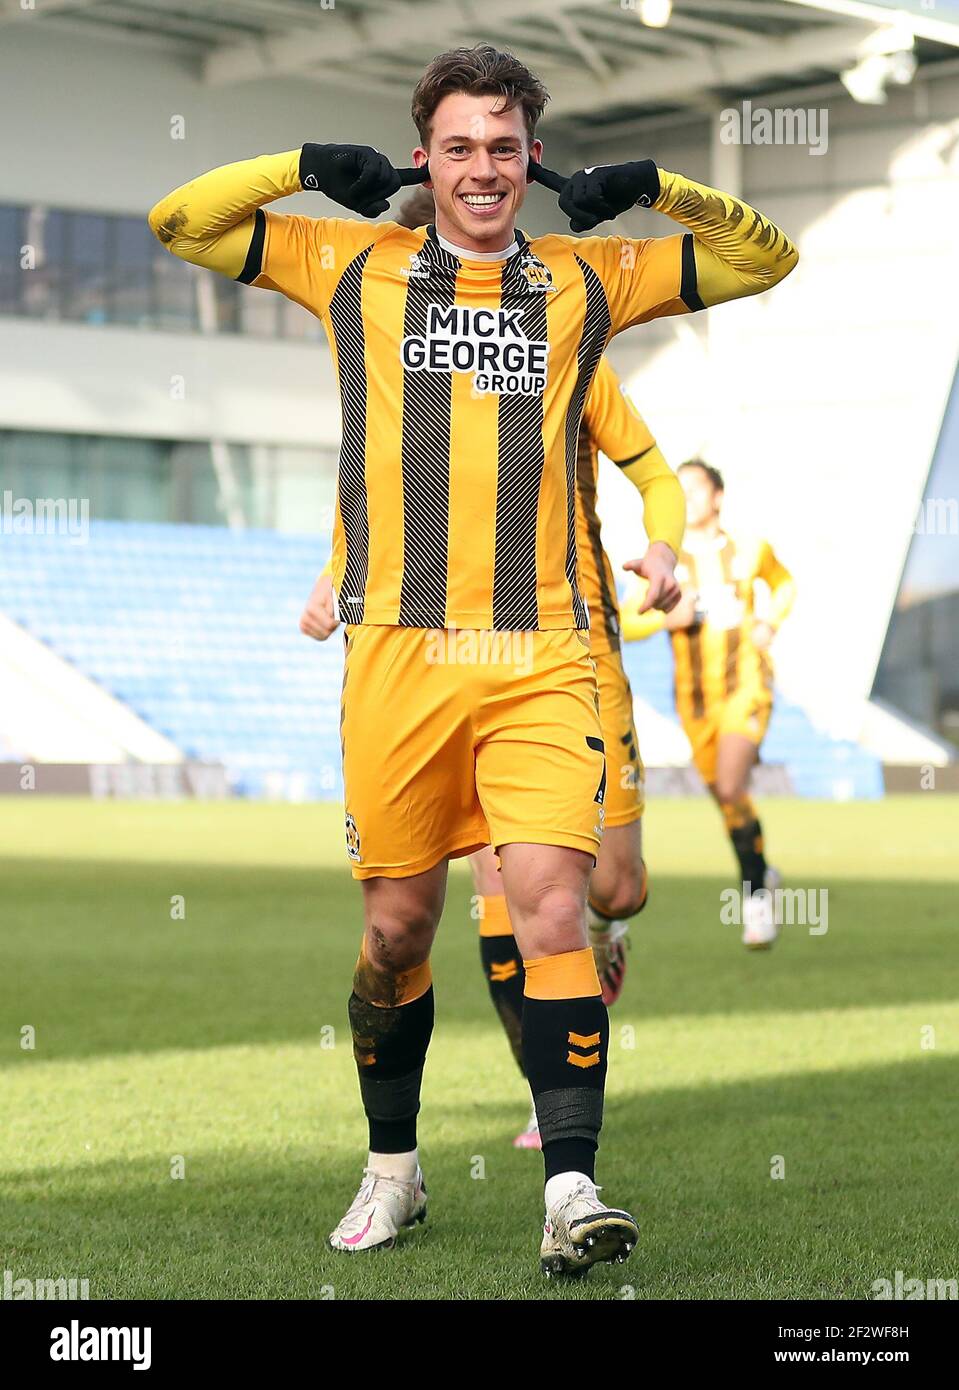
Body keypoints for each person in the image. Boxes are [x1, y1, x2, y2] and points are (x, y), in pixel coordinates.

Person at [149, 43, 797, 1275]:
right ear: (424, 157)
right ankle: (392, 1168)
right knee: (396, 931)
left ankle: (568, 1187)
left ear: (532, 156)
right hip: (396, 657)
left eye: (504, 146)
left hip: (541, 652)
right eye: (457, 147)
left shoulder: (587, 279)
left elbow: (767, 256)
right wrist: (304, 167)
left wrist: (659, 182)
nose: (483, 169)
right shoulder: (348, 262)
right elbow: (181, 220)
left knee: (556, 901)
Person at [620, 460, 796, 948]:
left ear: (718, 496)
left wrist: (770, 622)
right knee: (725, 795)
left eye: (696, 488)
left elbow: (784, 584)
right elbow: (626, 622)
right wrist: (663, 618)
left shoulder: (749, 549)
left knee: (733, 779)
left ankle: (756, 896)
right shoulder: (666, 562)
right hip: (695, 704)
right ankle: (761, 870)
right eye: (682, 489)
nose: (689, 497)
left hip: (747, 685)